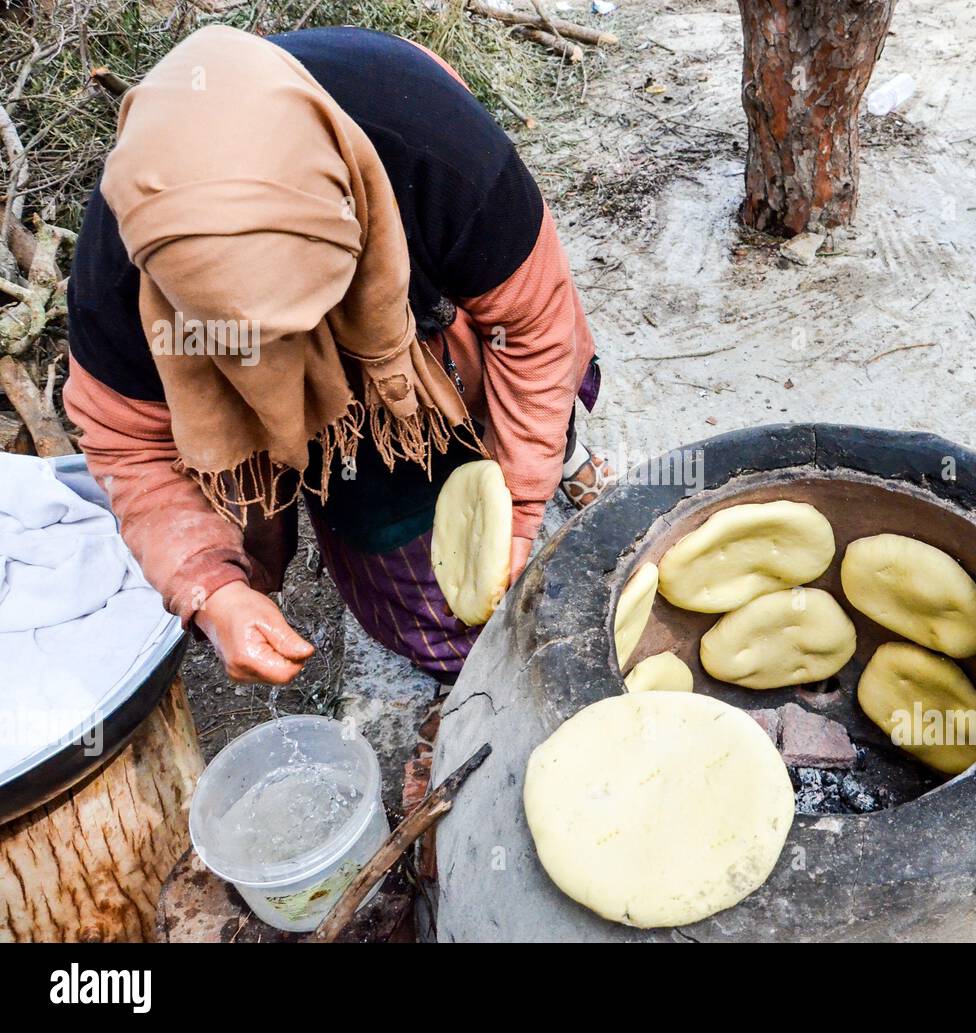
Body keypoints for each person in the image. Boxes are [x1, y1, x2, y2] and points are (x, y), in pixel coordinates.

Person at [63, 25, 615, 686]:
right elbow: (130, 449)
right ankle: (472, 685)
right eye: (264, 348)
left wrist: (522, 507)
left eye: (312, 317)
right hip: (340, 435)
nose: (298, 356)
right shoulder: (118, 278)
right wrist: (213, 589)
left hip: (430, 331)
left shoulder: (435, 148)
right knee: (410, 572)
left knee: (530, 407)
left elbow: (533, 329)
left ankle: (565, 457)